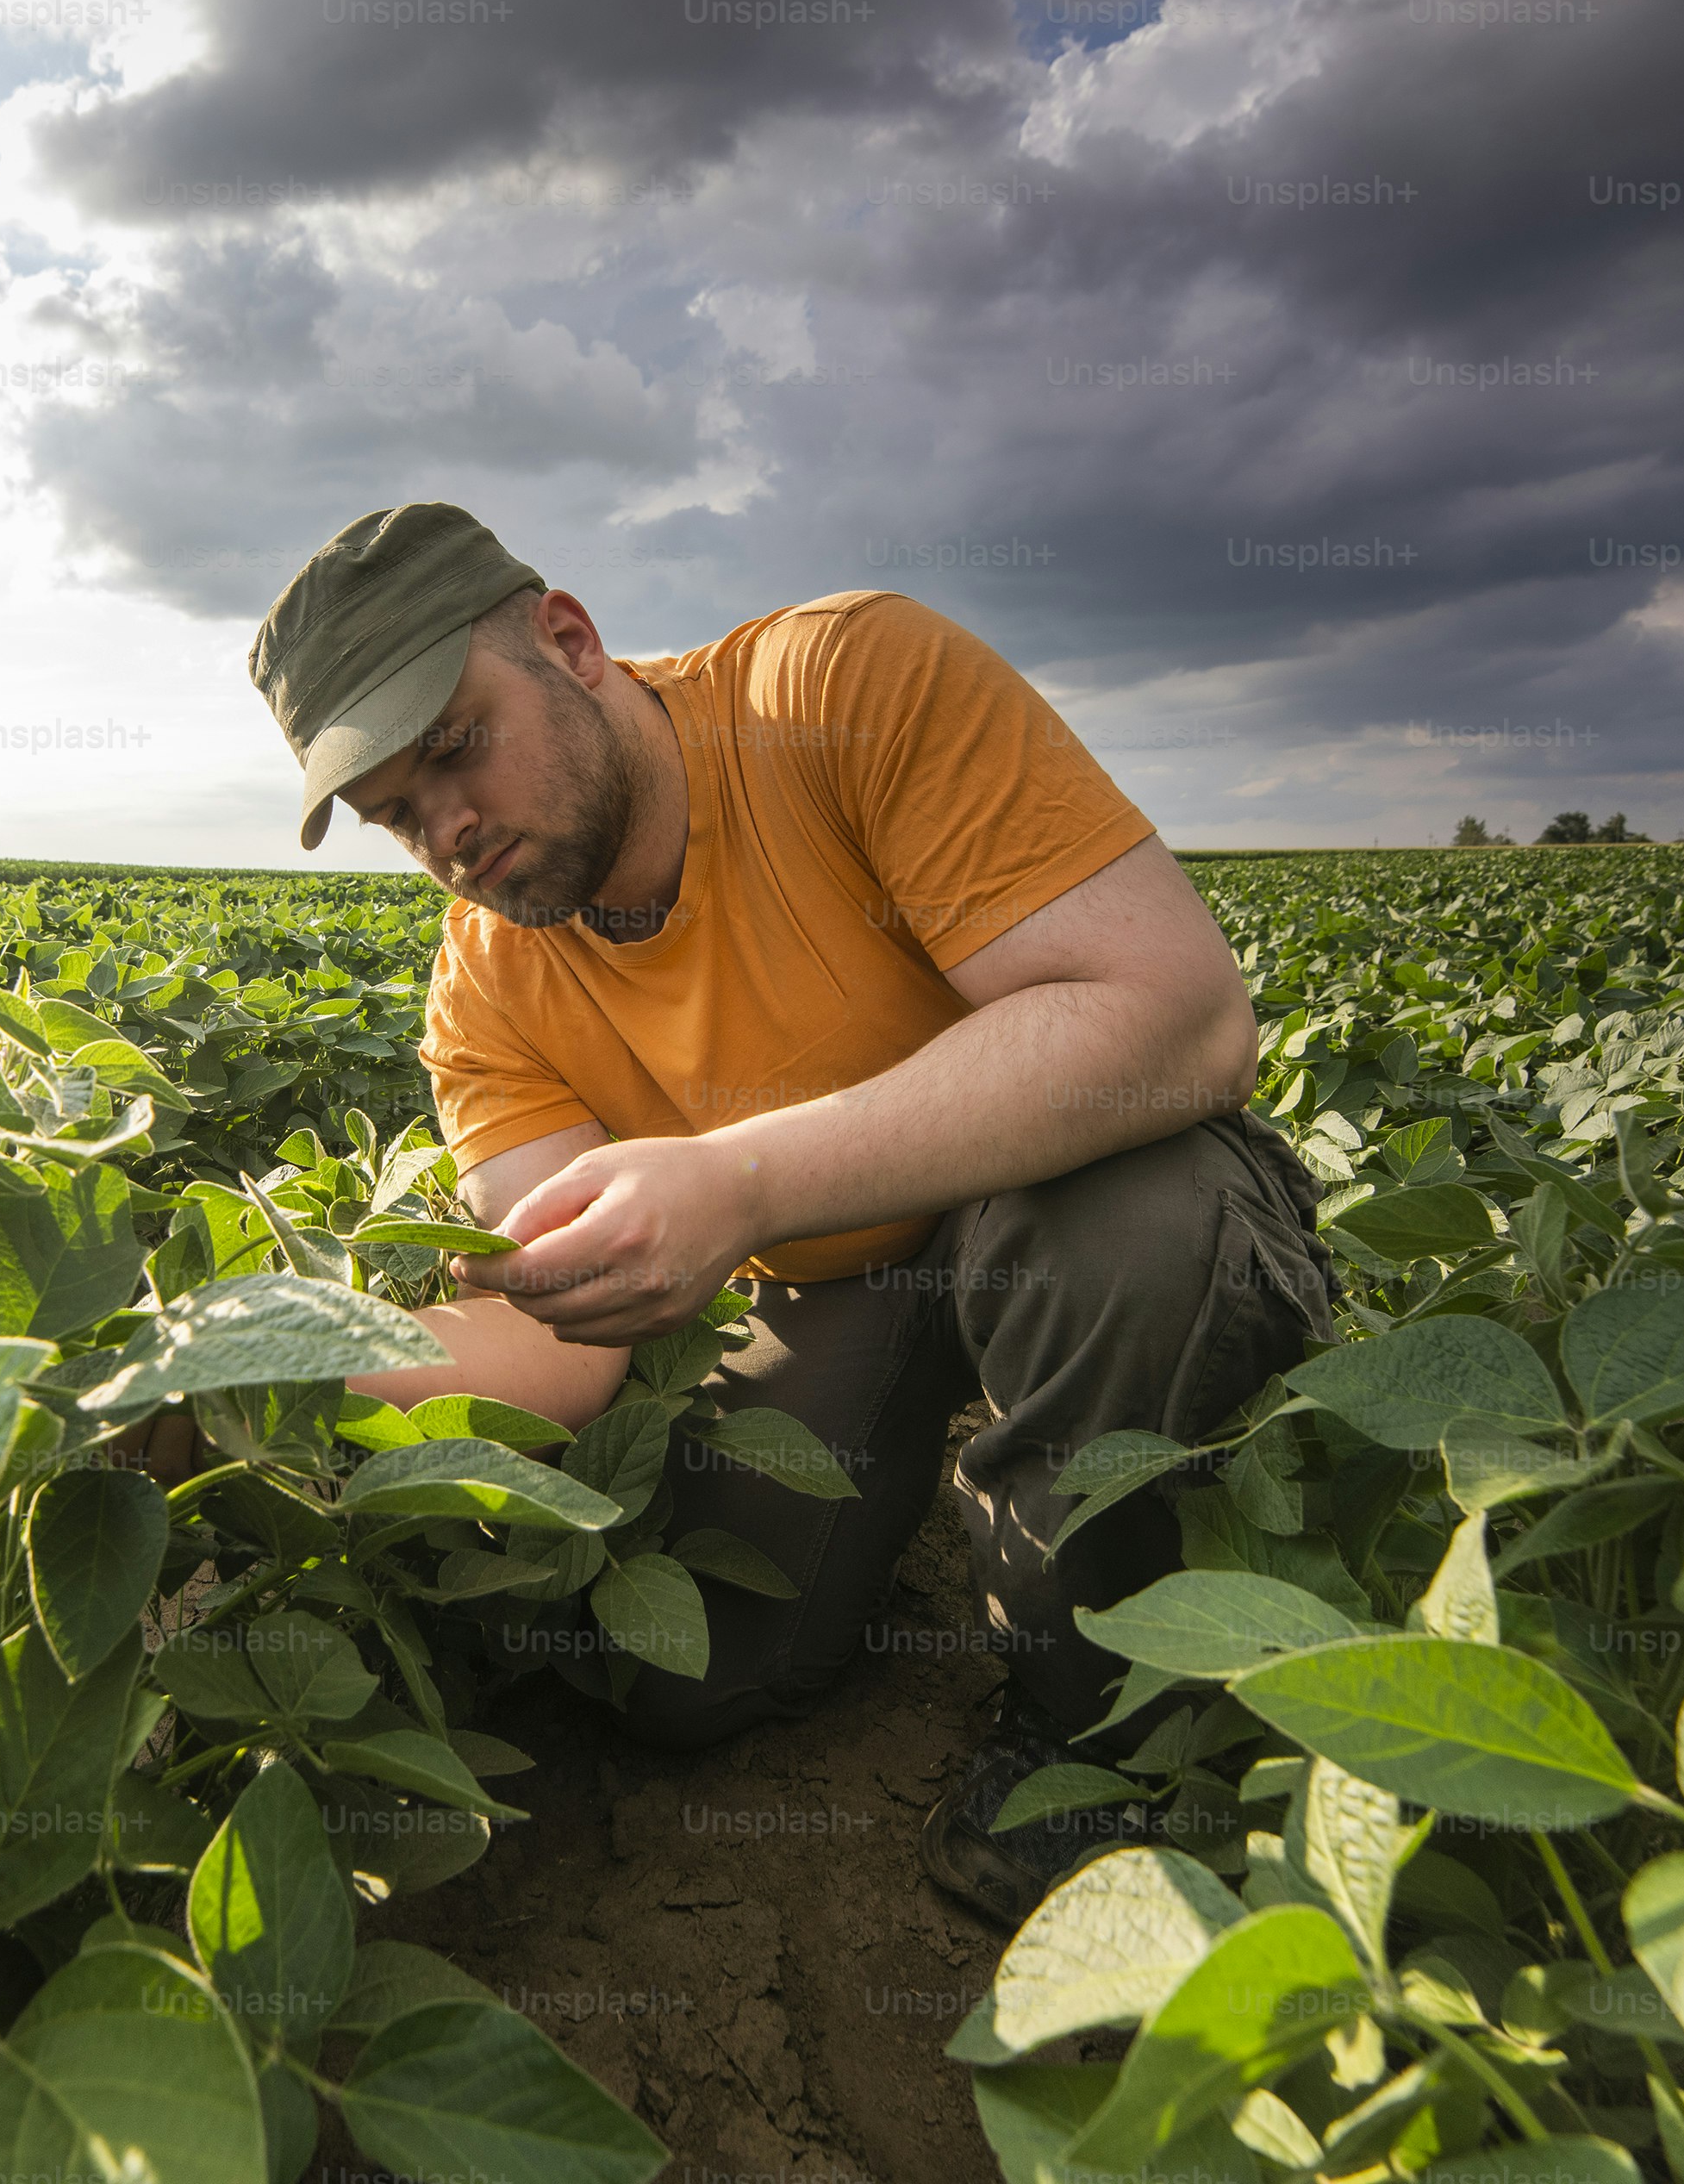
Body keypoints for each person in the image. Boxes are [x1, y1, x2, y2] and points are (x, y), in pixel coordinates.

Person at [241, 501, 1334, 1927]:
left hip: (1061, 1191)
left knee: (1132, 1237)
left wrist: (738, 1182)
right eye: (396, 814)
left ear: (570, 642)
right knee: (686, 1676)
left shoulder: (840, 687)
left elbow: (1178, 1018)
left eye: (454, 747)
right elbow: (569, 1341)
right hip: (847, 1278)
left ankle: (1095, 1734)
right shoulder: (488, 987)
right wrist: (250, 1371)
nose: (447, 829)